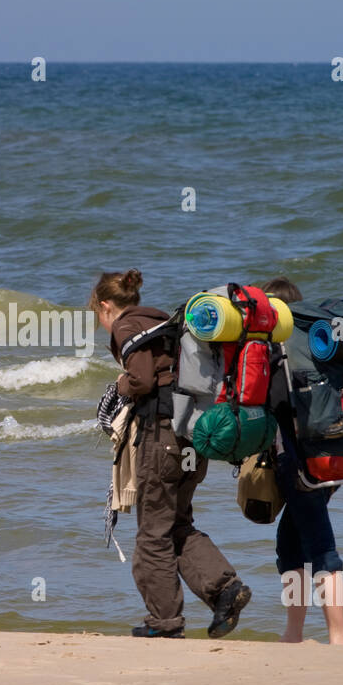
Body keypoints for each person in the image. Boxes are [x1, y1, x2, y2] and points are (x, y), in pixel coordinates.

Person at [90, 268, 251, 639]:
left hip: (160, 437)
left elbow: (143, 380)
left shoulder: (126, 327)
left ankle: (163, 624)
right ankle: (225, 590)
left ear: (105, 306)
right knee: (176, 523)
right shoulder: (163, 321)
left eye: (98, 315)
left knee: (152, 534)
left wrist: (121, 384)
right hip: (192, 434)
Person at [264, 276, 343, 645]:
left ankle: (339, 638)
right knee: (290, 546)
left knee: (321, 549)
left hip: (298, 463)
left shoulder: (278, 356)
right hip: (332, 458)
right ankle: (293, 633)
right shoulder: (315, 349)